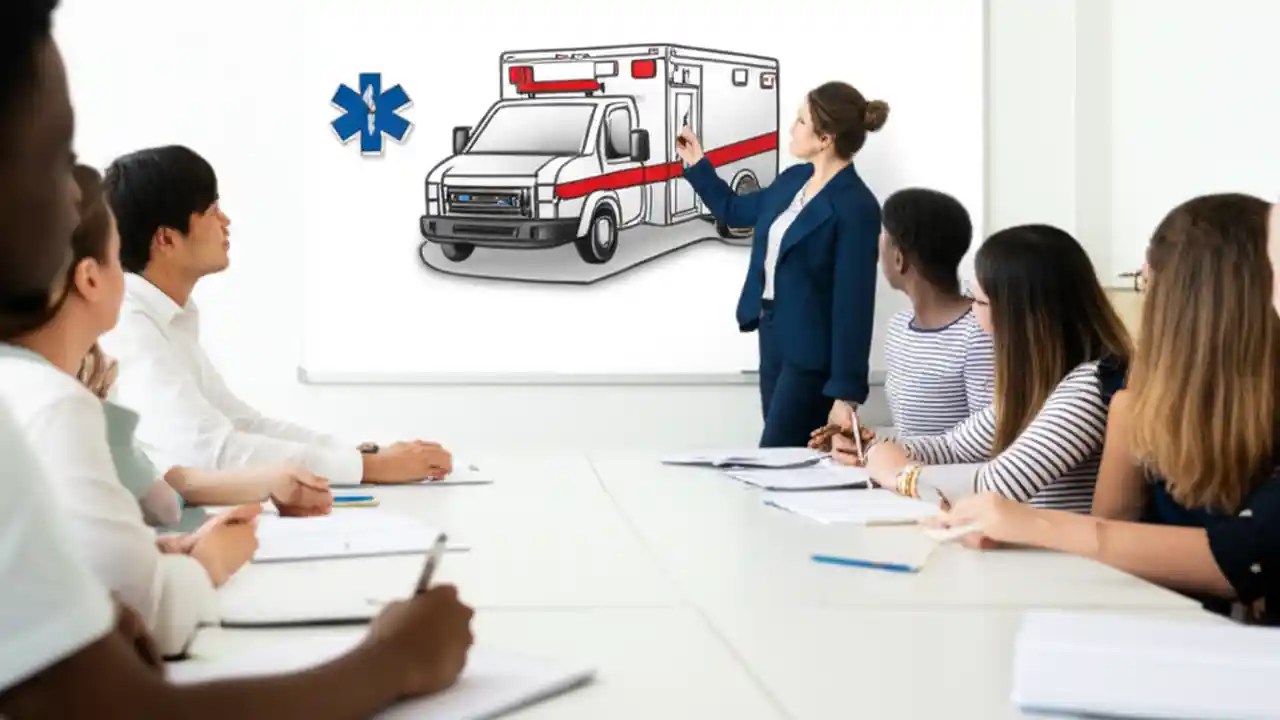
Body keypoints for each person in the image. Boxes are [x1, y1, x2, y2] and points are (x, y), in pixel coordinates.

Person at [0, 2, 473, 712]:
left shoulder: (144, 335)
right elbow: (119, 700)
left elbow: (213, 441)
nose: (76, 195)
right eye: (55, 153)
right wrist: (395, 659)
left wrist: (361, 454)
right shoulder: (52, 391)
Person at [938, 195, 1280, 625]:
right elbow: (1110, 545)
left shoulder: (1100, 386)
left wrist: (1035, 526)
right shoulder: (1135, 407)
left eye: (1147, 284)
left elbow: (1244, 556)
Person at [0, 163, 270, 655]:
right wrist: (208, 562)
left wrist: (151, 553)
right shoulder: (57, 403)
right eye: (115, 256)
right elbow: (144, 614)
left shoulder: (21, 384)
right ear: (90, 278)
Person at [97, 144, 452, 485]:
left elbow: (242, 423)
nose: (226, 221)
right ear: (166, 239)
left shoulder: (167, 316)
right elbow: (209, 452)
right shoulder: (127, 323)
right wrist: (370, 467)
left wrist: (362, 454)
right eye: (211, 209)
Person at [838, 225, 1131, 512]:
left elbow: (996, 486)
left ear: (1019, 317)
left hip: (1051, 546)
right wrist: (872, 446)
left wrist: (898, 473)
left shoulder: (1091, 386)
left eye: (979, 301)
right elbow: (952, 447)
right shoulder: (1043, 384)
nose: (971, 309)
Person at [675, 81, 888, 447]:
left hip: (813, 356)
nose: (792, 128)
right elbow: (734, 211)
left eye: (801, 121)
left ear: (825, 138)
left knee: (774, 454)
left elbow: (853, 305)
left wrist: (846, 394)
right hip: (771, 334)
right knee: (785, 462)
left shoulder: (857, 206)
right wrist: (697, 163)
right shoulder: (794, 180)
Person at [819, 187, 992, 441]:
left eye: (882, 240)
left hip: (941, 468)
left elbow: (990, 440)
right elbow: (910, 434)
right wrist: (861, 443)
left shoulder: (979, 332)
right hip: (904, 465)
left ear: (899, 258)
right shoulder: (899, 328)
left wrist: (887, 451)